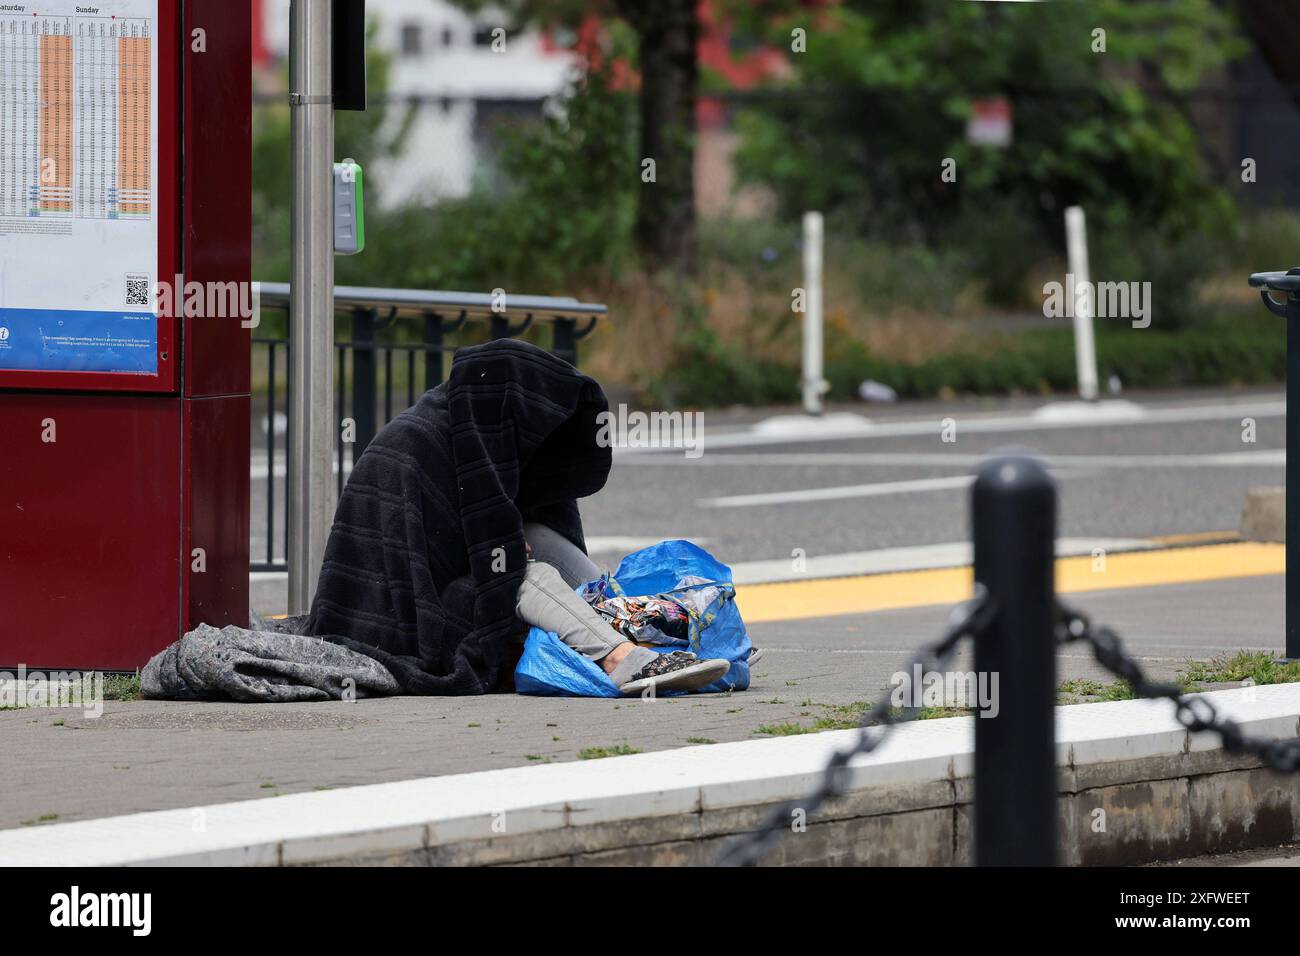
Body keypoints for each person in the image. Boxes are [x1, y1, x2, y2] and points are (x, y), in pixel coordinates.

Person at [304, 338, 729, 697]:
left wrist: (502, 543)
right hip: (405, 620)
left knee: (546, 548)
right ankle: (622, 659)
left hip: (452, 583)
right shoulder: (413, 443)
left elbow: (495, 527)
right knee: (527, 575)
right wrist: (497, 550)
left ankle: (651, 632)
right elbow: (417, 560)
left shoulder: (480, 430)